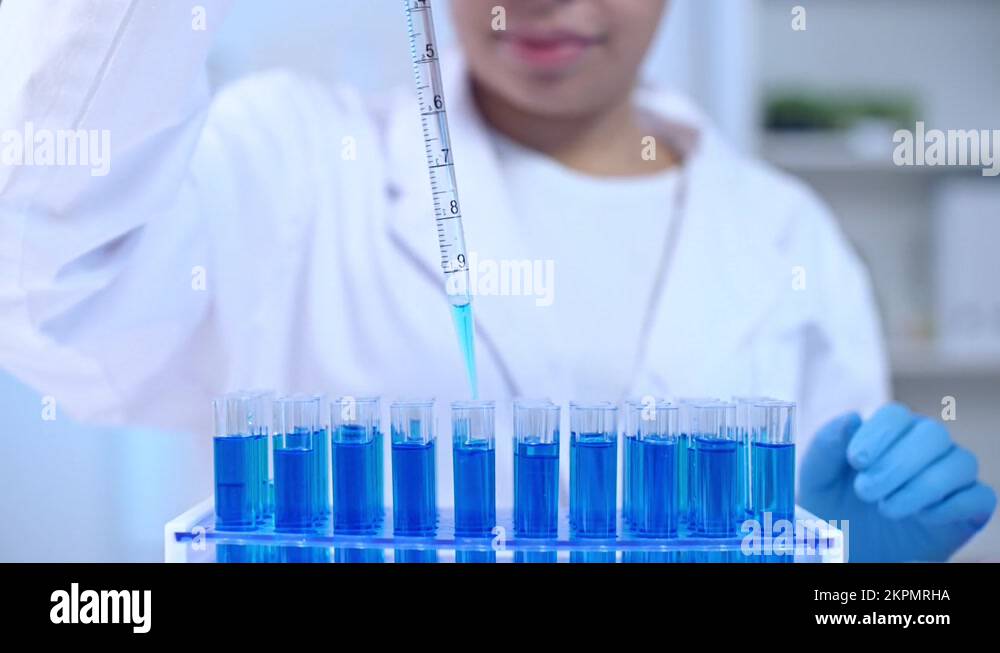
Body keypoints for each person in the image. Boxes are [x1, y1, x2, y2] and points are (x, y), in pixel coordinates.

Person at [0, 0, 993, 561]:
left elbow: (827, 555)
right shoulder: (294, 155)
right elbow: (55, 288)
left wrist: (862, 584)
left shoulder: (790, 236)